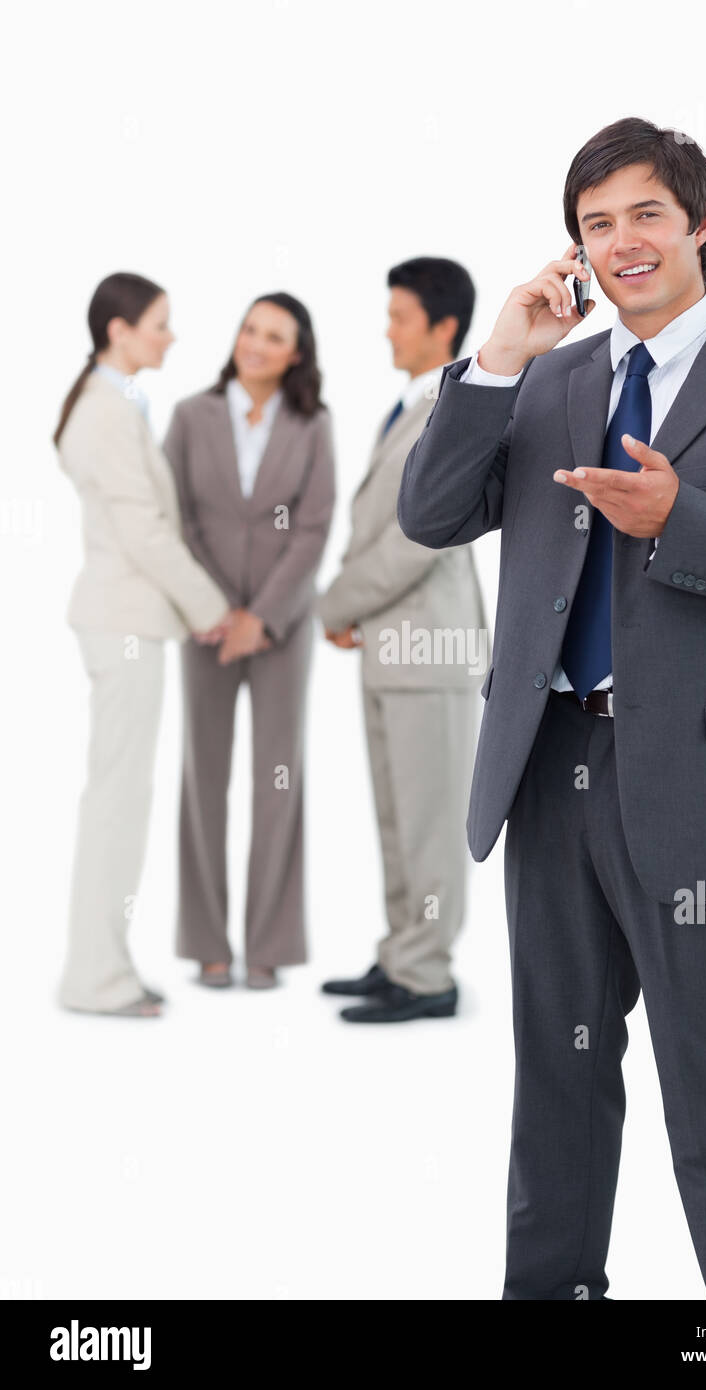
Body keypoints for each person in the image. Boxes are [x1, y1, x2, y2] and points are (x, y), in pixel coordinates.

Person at [397, 117, 706, 1298]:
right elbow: (432, 514)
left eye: (645, 214)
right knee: (555, 1079)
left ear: (699, 224)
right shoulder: (551, 377)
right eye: (595, 224)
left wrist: (685, 526)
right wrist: (498, 354)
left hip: (705, 792)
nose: (622, 243)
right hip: (548, 765)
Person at [55, 272, 233, 1019]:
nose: (170, 336)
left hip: (127, 622)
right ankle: (96, 978)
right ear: (119, 330)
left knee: (119, 799)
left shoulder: (114, 403)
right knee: (117, 804)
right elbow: (144, 530)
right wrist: (210, 606)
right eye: (159, 323)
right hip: (124, 625)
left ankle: (104, 966)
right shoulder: (103, 412)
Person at [317, 258, 486, 1023]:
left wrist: (333, 604)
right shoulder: (410, 403)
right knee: (395, 816)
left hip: (430, 649)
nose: (387, 329)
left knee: (427, 821)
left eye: (399, 316)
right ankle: (401, 955)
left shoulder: (454, 409)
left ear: (443, 326)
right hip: (393, 648)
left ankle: (429, 977)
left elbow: (417, 542)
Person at [163, 293, 335, 990]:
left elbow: (315, 528)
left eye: (274, 336)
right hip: (204, 623)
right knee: (203, 775)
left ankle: (269, 941)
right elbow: (175, 520)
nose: (256, 344)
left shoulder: (312, 423)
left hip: (282, 624)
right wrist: (216, 610)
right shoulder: (190, 416)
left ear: (296, 352)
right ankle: (206, 941)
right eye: (249, 330)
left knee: (278, 777)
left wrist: (260, 617)